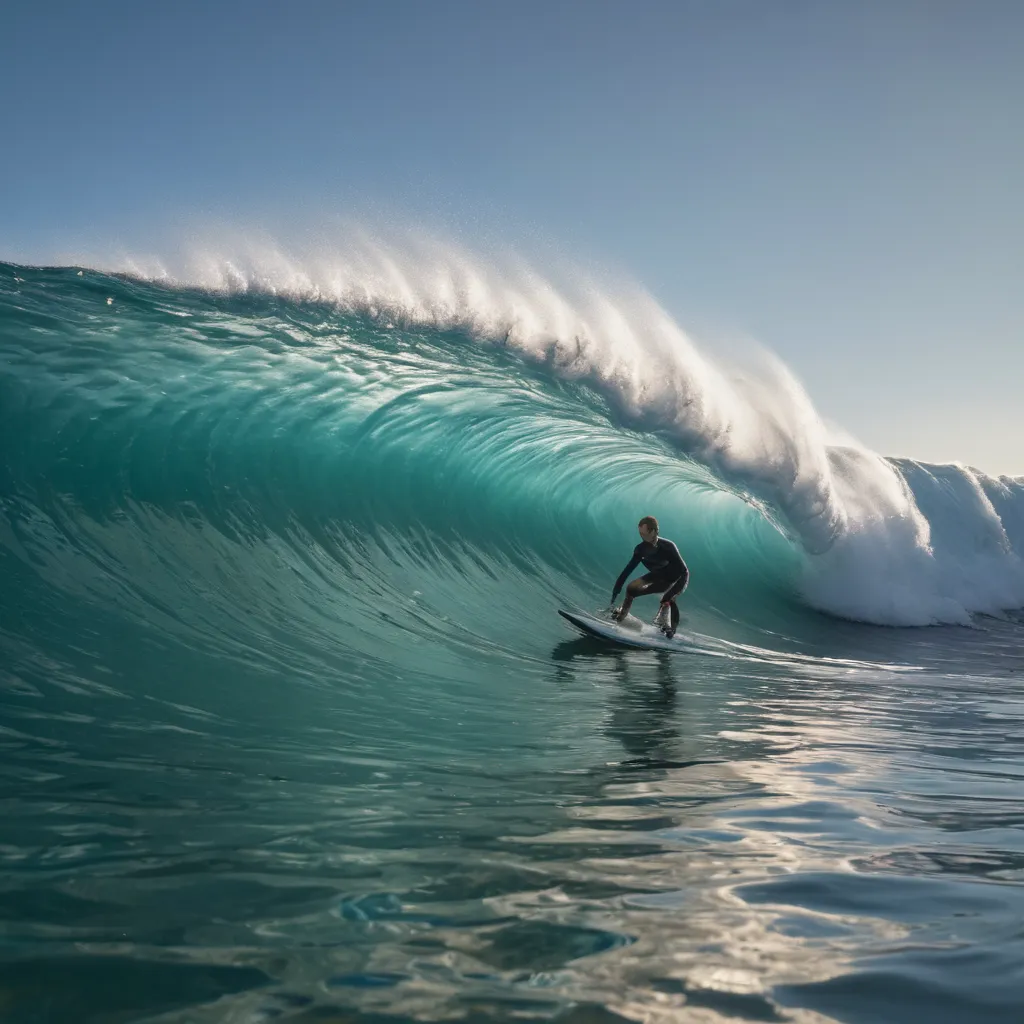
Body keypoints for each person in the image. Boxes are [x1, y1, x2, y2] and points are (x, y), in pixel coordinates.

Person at [610, 516, 689, 639]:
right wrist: (615, 592)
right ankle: (621, 619)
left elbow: (684, 572)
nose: (641, 536)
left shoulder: (668, 547)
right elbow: (627, 571)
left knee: (667, 599)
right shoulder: (640, 550)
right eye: (640, 533)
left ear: (653, 531)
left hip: (676, 578)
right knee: (631, 589)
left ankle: (670, 632)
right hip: (658, 575)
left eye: (644, 533)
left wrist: (673, 593)